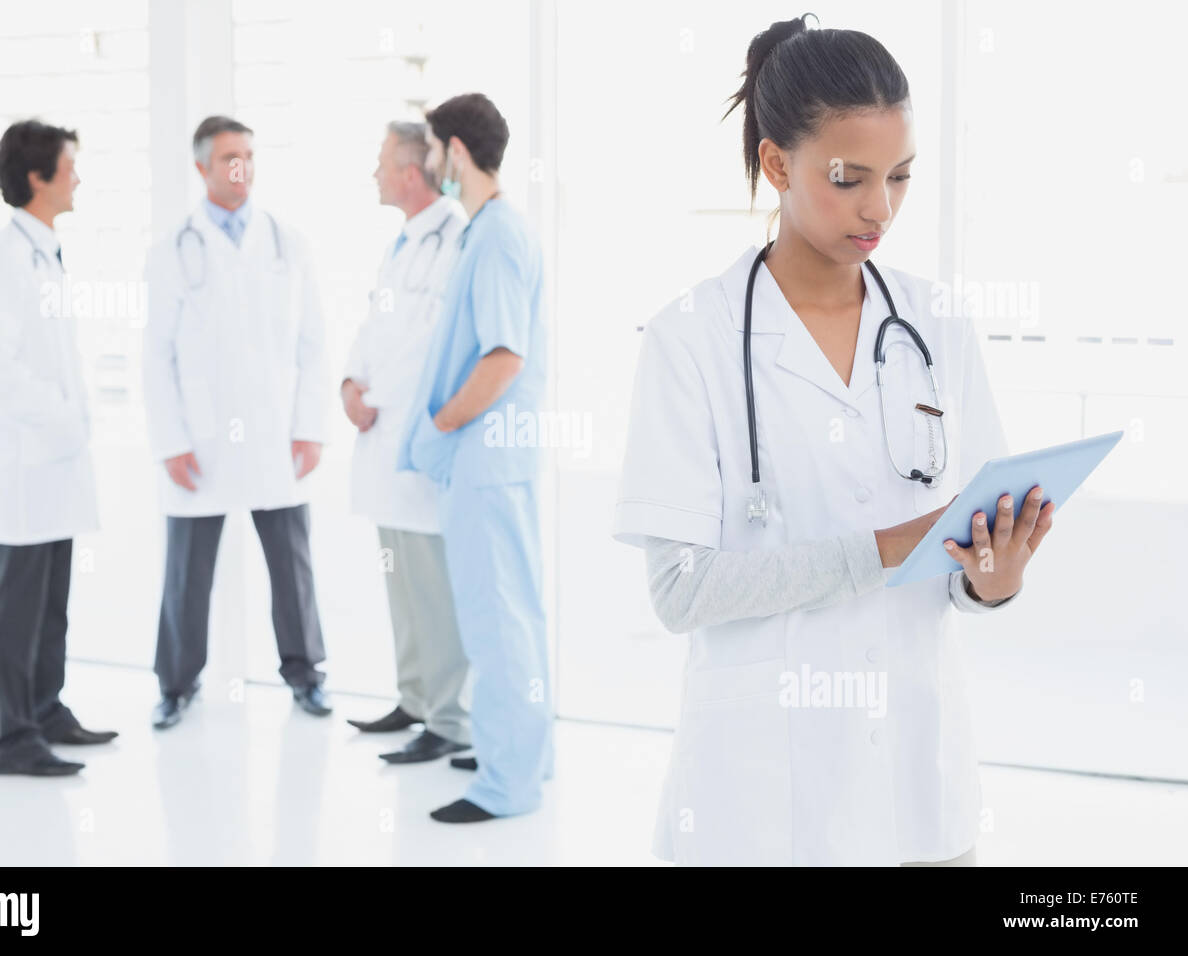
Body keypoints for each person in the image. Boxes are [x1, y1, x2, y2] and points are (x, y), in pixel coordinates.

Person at [612, 16, 1057, 866]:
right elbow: (679, 591)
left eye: (900, 177)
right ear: (778, 163)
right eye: (850, 178)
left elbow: (965, 550)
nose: (880, 208)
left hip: (918, 785)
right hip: (759, 798)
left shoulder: (936, 324)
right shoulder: (692, 338)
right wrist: (884, 548)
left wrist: (995, 582)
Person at [142, 115, 332, 729]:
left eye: (248, 154)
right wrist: (170, 440)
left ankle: (305, 675)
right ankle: (176, 684)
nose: (241, 167)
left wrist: (309, 426)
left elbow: (313, 344)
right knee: (187, 573)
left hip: (275, 435)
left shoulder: (287, 242)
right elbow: (156, 355)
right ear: (202, 168)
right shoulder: (173, 250)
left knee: (291, 565)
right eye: (228, 157)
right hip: (200, 437)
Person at [397, 93, 552, 823]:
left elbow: (502, 358)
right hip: (494, 463)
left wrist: (440, 421)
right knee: (514, 615)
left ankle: (506, 784)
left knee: (497, 624)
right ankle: (521, 756)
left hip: (486, 460)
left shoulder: (494, 237)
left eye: (431, 150)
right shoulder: (490, 230)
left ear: (455, 151)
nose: (428, 163)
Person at [0, 120, 118, 776]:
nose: (77, 177)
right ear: (38, 177)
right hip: (28, 461)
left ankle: (44, 709)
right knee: (18, 601)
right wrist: (56, 416)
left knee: (51, 597)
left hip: (54, 460)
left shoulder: (45, 249)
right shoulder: (6, 257)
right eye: (69, 166)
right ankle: (8, 736)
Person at [342, 121, 472, 763]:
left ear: (411, 173)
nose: (375, 174)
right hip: (382, 437)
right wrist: (349, 383)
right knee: (402, 580)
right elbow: (376, 325)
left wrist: (386, 401)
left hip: (420, 443)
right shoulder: (402, 242)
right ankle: (415, 697)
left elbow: (435, 349)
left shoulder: (455, 237)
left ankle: (448, 719)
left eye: (381, 162)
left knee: (432, 587)